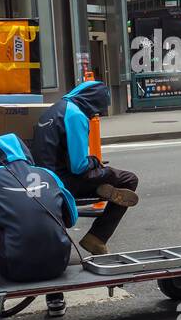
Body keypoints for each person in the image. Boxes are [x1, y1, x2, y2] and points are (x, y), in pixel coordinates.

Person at [0, 134, 78, 318]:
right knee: (50, 225)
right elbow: (71, 218)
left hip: (14, 268)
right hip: (59, 264)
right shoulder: (47, 173)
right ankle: (55, 300)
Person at [30, 81, 139, 257]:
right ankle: (97, 237)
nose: (94, 115)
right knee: (129, 179)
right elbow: (79, 166)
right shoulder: (75, 115)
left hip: (44, 178)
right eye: (96, 110)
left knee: (107, 176)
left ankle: (101, 188)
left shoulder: (55, 108)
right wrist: (95, 162)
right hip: (64, 182)